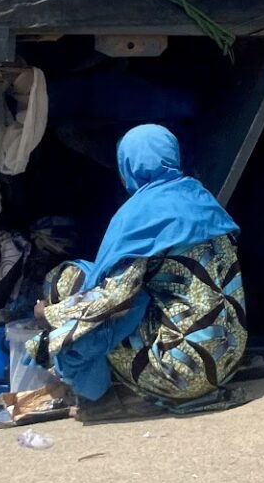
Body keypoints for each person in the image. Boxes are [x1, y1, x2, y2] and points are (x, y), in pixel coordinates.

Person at [32, 125, 245, 411]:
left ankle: (95, 395)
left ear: (129, 165)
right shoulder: (202, 199)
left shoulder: (142, 214)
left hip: (181, 373)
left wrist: (50, 317)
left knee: (72, 279)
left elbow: (112, 297)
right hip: (228, 357)